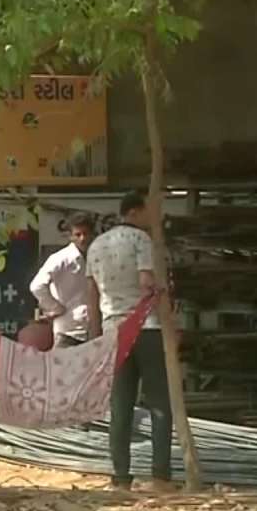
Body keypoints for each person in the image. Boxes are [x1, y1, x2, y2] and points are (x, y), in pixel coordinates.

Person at [85, 192, 172, 491]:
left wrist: (96, 336)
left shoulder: (96, 245)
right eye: (147, 211)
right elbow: (147, 281)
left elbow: (92, 294)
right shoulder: (141, 240)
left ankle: (120, 477)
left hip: (113, 331)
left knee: (120, 404)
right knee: (159, 403)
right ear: (135, 212)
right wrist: (163, 296)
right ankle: (160, 475)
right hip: (145, 328)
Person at [29, 212, 95, 347]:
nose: (82, 238)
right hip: (67, 331)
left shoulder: (95, 257)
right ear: (70, 236)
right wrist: (56, 308)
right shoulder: (61, 258)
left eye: (86, 234)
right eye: (78, 234)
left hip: (91, 331)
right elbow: (37, 286)